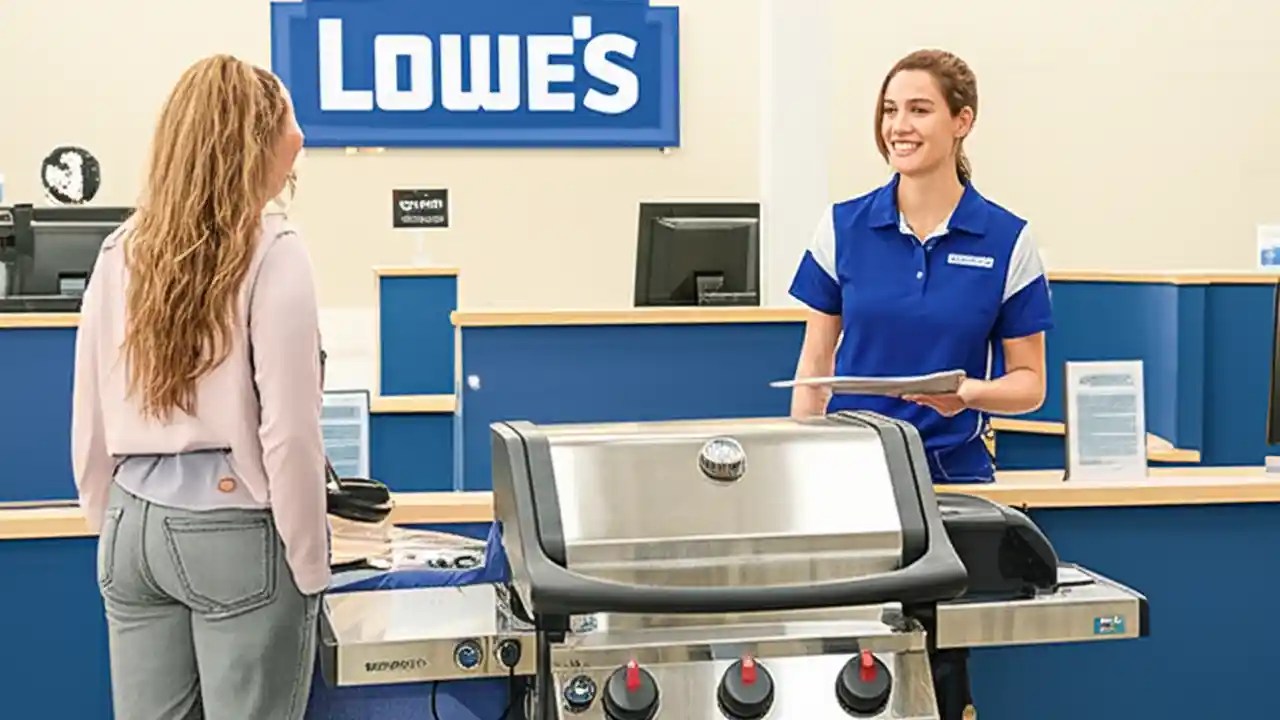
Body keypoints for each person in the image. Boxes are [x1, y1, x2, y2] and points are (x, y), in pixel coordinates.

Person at [787, 49, 1053, 719]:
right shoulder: (841, 227)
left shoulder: (1008, 240)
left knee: (940, 661)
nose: (898, 126)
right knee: (845, 661)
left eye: (918, 109)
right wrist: (800, 474)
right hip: (849, 481)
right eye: (889, 110)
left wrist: (968, 394)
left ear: (962, 121)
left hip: (951, 485)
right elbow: (813, 370)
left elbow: (1029, 385)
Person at [71, 54, 327, 720]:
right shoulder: (274, 250)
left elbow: (89, 407)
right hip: (232, 527)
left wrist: (107, 519)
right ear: (255, 141)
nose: (301, 136)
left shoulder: (121, 248)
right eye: (289, 119)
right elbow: (290, 431)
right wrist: (309, 563)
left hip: (130, 526)